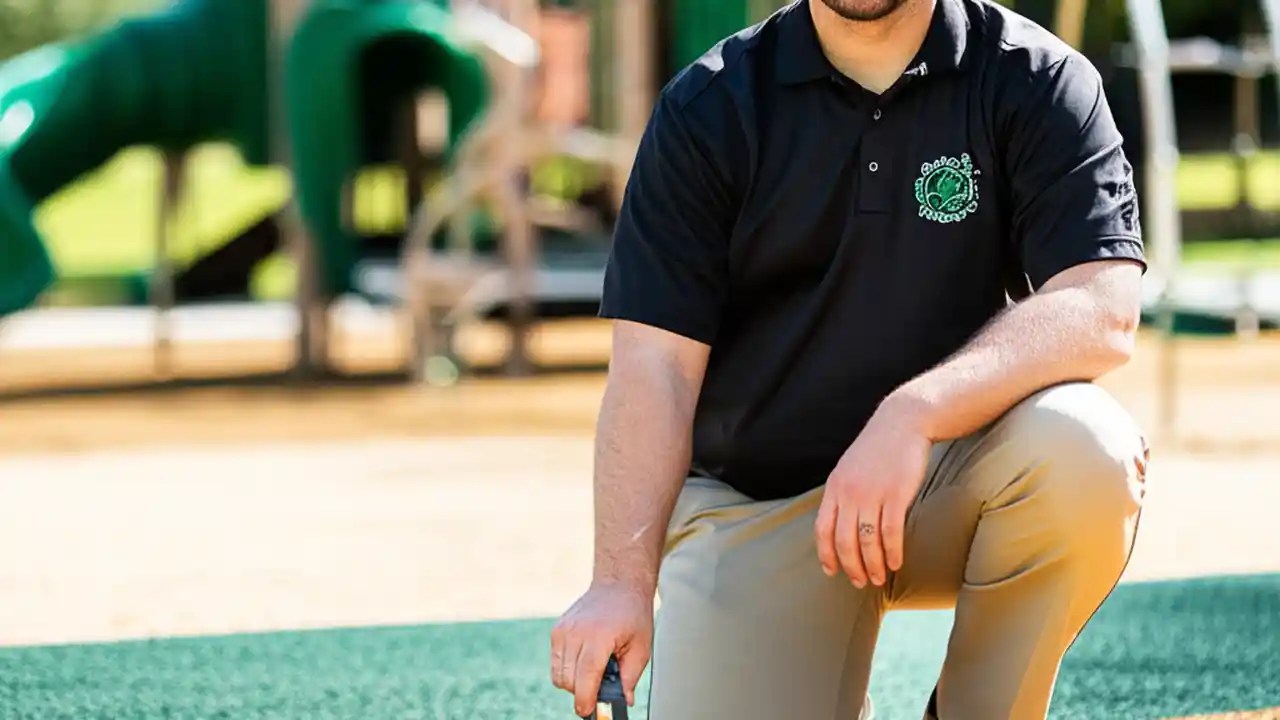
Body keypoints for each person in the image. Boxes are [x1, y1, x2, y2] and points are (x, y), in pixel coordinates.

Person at [550, 0, 1150, 716]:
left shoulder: (1037, 77)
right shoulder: (707, 108)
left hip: (947, 483)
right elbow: (656, 369)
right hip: (759, 503)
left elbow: (1101, 305)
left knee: (1086, 449)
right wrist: (619, 579)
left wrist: (913, 413)